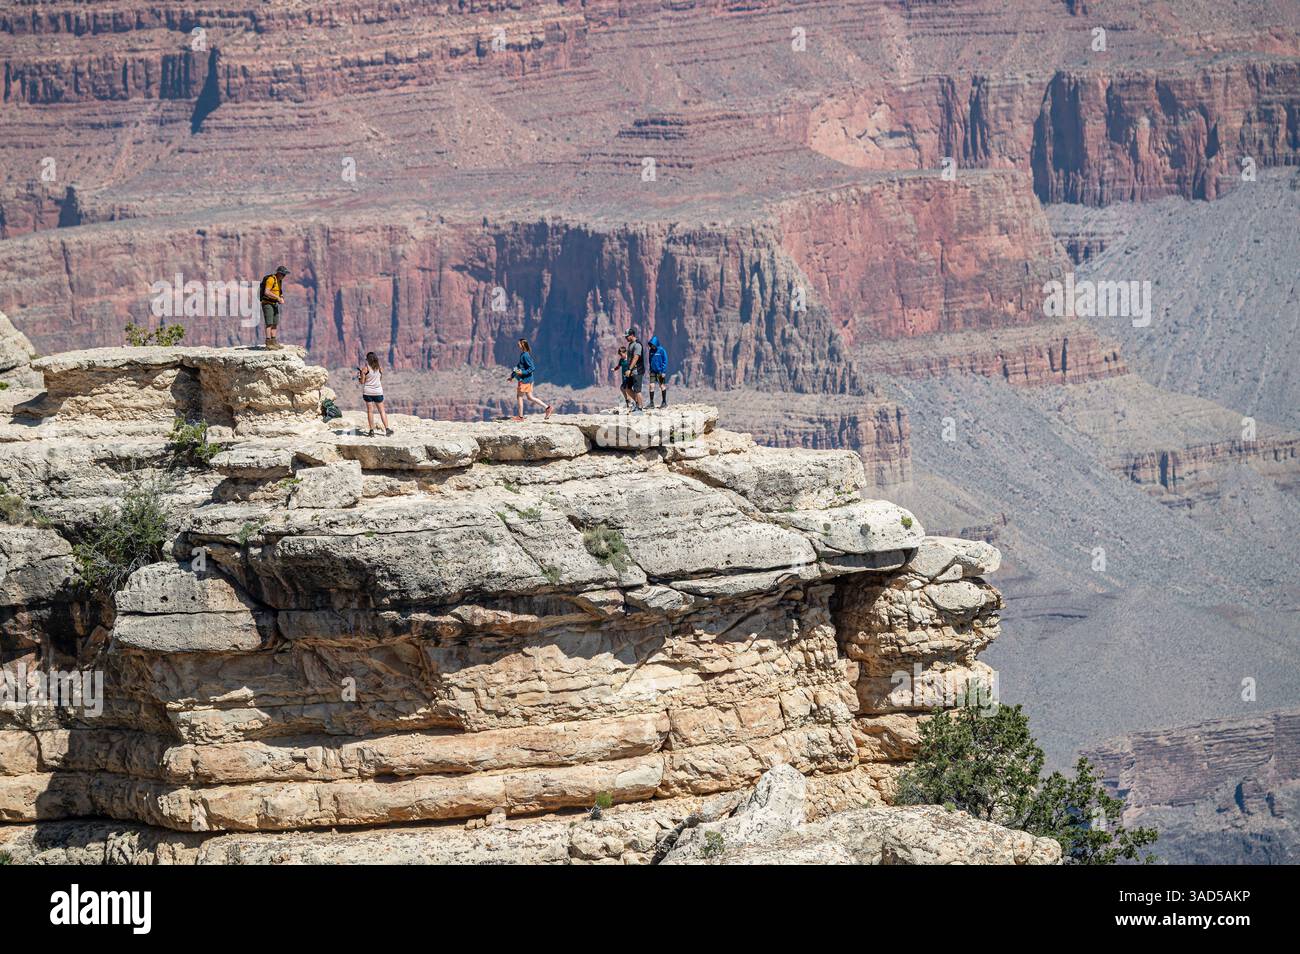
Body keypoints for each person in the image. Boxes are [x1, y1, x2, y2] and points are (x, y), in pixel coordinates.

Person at [509, 338, 553, 421]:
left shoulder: (525, 355)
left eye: (519, 343)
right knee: (530, 397)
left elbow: (532, 368)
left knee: (519, 397)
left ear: (522, 344)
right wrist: (512, 376)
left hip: (525, 380)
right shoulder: (523, 354)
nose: (517, 345)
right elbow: (518, 367)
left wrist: (522, 373)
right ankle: (547, 408)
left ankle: (520, 417)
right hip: (527, 379)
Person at [358, 352, 392, 437]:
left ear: (368, 360)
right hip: (378, 392)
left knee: (370, 411)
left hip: (368, 392)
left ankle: (371, 431)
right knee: (382, 411)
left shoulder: (365, 369)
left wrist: (360, 377)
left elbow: (362, 382)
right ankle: (387, 429)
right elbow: (380, 379)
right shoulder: (380, 368)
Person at [258, 266, 288, 350]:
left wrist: (281, 297)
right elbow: (266, 292)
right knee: (269, 323)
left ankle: (274, 341)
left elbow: (279, 291)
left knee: (275, 323)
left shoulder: (279, 280)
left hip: (274, 303)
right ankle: (268, 343)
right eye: (283, 274)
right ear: (278, 273)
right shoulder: (271, 279)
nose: (284, 276)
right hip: (267, 303)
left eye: (285, 274)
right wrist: (278, 298)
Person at [623, 328, 645, 413]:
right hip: (631, 371)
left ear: (632, 335)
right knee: (628, 388)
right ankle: (637, 403)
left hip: (637, 370)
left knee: (637, 390)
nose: (626, 338)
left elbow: (636, 358)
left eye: (627, 336)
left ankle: (640, 408)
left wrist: (629, 369)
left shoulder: (637, 345)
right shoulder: (630, 344)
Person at [646, 334, 668, 408]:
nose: (652, 346)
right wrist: (650, 369)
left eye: (653, 345)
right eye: (651, 345)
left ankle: (664, 402)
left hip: (660, 372)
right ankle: (651, 403)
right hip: (653, 371)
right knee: (651, 386)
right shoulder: (651, 351)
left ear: (656, 344)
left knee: (662, 386)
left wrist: (663, 371)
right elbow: (650, 360)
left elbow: (665, 361)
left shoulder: (661, 350)